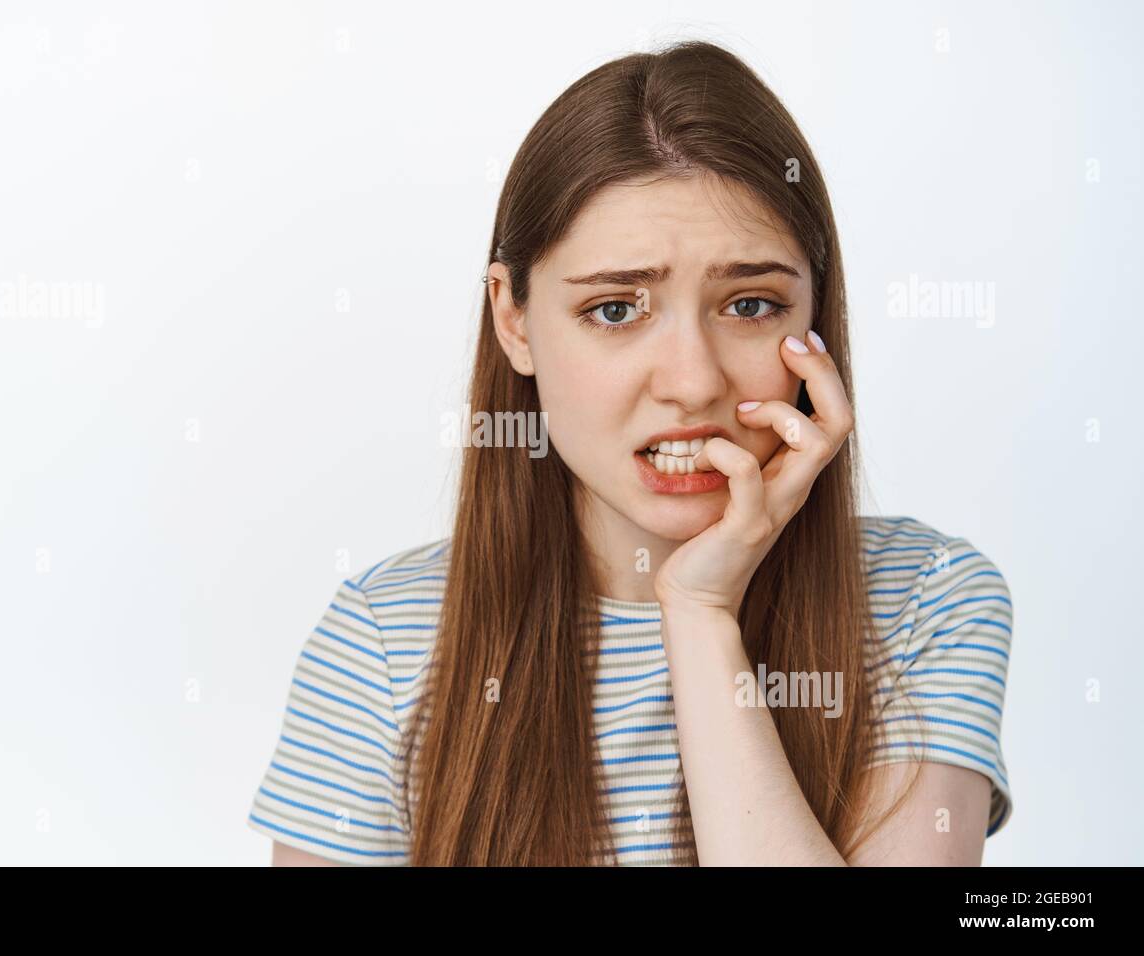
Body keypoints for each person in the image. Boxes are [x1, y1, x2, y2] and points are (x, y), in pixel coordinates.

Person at [246, 39, 1014, 866]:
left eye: (750, 304)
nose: (691, 382)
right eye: (616, 310)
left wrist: (699, 615)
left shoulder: (924, 602)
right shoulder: (387, 643)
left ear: (815, 317)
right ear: (514, 320)